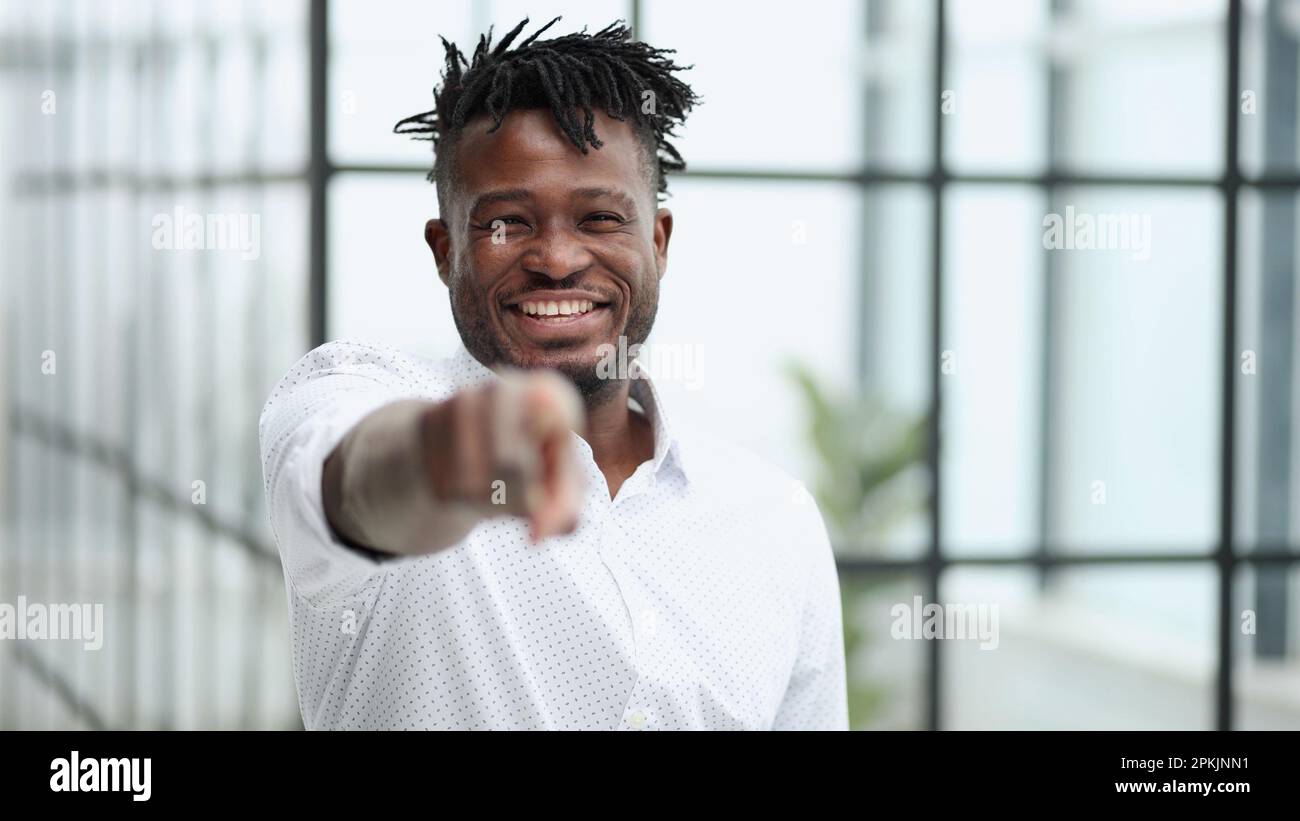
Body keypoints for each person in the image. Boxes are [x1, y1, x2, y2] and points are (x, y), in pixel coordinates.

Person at [259, 17, 847, 730]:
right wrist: (439, 461)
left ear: (657, 241)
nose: (558, 259)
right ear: (444, 250)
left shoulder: (775, 521)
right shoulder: (359, 391)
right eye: (507, 222)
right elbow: (333, 481)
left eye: (600, 218)